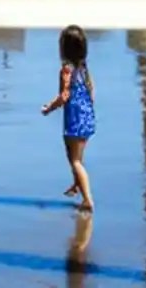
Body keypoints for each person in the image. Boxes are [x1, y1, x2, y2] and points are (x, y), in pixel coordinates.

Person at [41, 25, 95, 212]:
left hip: (73, 117)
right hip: (86, 116)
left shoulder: (66, 70)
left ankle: (88, 199)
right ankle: (77, 183)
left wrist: (49, 107)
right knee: (74, 154)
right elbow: (92, 93)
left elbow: (64, 96)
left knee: (75, 161)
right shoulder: (84, 69)